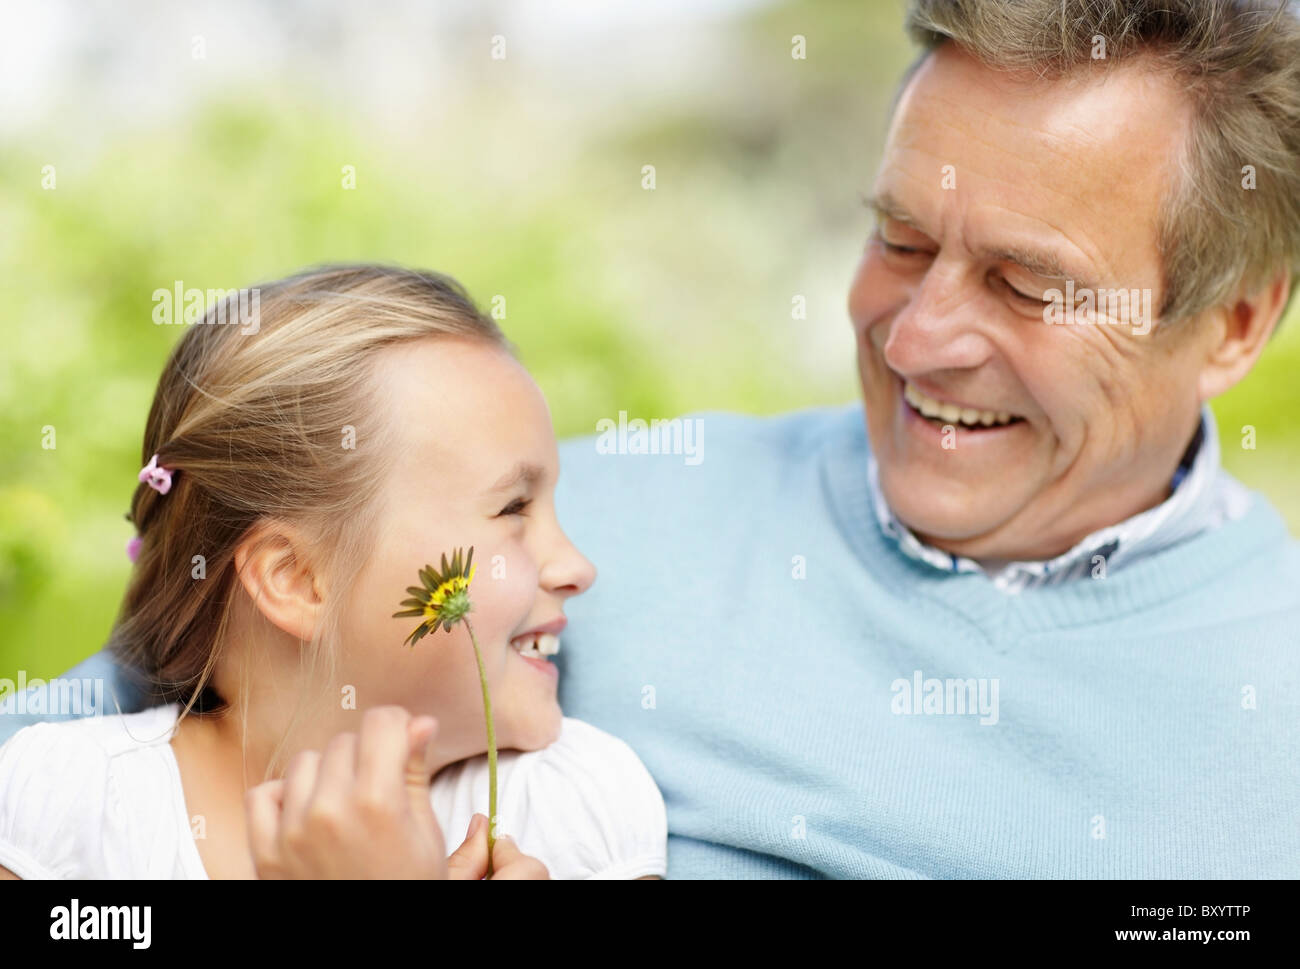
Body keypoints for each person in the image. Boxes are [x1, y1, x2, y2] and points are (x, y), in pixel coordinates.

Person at [0, 265, 667, 880]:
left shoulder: (575, 807)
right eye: (514, 507)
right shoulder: (72, 805)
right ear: (294, 577)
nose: (578, 566)